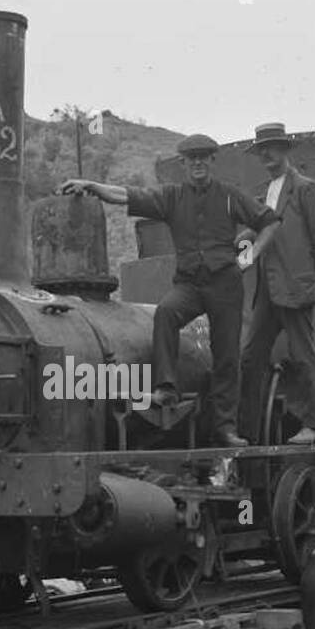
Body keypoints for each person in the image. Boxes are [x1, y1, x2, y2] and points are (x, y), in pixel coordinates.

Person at [58, 134, 279, 447]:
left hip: (225, 285)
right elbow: (128, 195)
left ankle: (226, 429)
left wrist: (250, 256)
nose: (198, 163)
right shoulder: (173, 197)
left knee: (227, 355)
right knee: (166, 313)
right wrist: (93, 186)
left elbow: (269, 222)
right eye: (192, 159)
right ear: (184, 164)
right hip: (190, 284)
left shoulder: (230, 196)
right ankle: (166, 389)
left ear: (212, 161)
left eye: (204, 157)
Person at [237, 123, 315, 445]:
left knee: (303, 355)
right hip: (267, 289)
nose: (266, 154)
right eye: (261, 149)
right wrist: (235, 247)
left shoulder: (305, 188)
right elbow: (257, 230)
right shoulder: (264, 192)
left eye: (272, 148)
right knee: (251, 356)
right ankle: (246, 430)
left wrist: (308, 279)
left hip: (296, 287)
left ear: (284, 150)